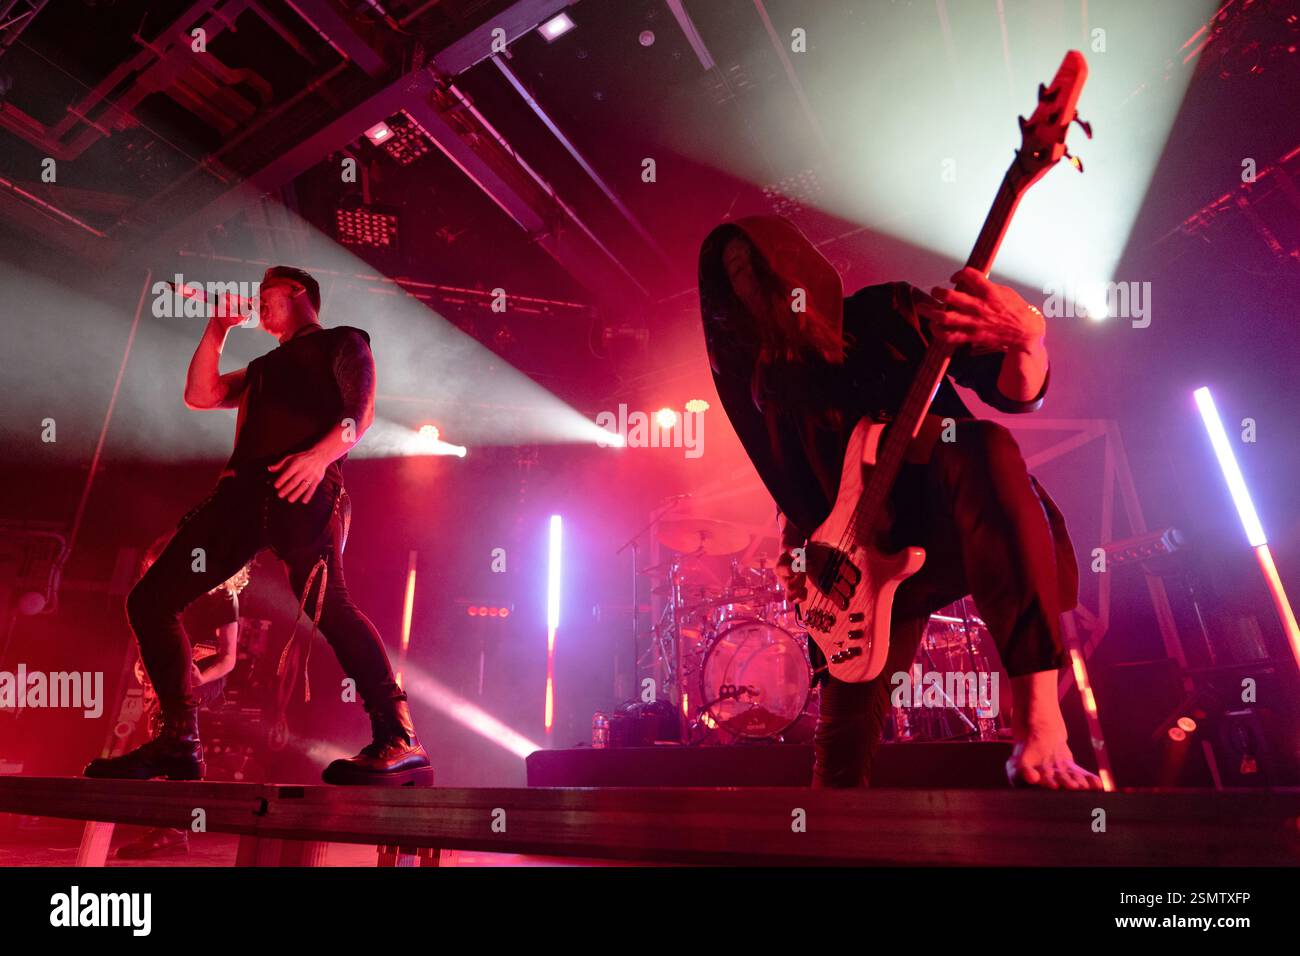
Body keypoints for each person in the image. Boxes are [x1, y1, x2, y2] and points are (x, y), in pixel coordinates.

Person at [697, 215, 1102, 790]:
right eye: (733, 278)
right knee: (840, 757)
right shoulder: (771, 389)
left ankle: (1041, 722)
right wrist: (799, 564)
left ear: (793, 264)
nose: (748, 287)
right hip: (860, 560)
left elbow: (1015, 393)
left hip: (956, 510)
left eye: (754, 267)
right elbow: (794, 492)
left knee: (981, 443)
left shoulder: (889, 312)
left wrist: (1028, 337)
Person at [85, 265, 432, 786]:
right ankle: (179, 740)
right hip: (243, 496)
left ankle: (399, 734)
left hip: (304, 485)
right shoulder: (263, 367)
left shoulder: (343, 342)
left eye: (265, 294)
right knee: (150, 601)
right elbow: (200, 396)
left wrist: (319, 458)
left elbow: (358, 415)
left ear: (297, 293)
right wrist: (218, 328)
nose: (257, 304)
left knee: (327, 605)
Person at [117, 536, 249, 858]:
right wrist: (144, 671)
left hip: (205, 671)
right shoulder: (163, 597)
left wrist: (200, 676)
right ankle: (170, 827)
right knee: (161, 733)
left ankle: (173, 828)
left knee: (173, 726)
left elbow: (228, 658)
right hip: (172, 671)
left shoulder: (222, 595)